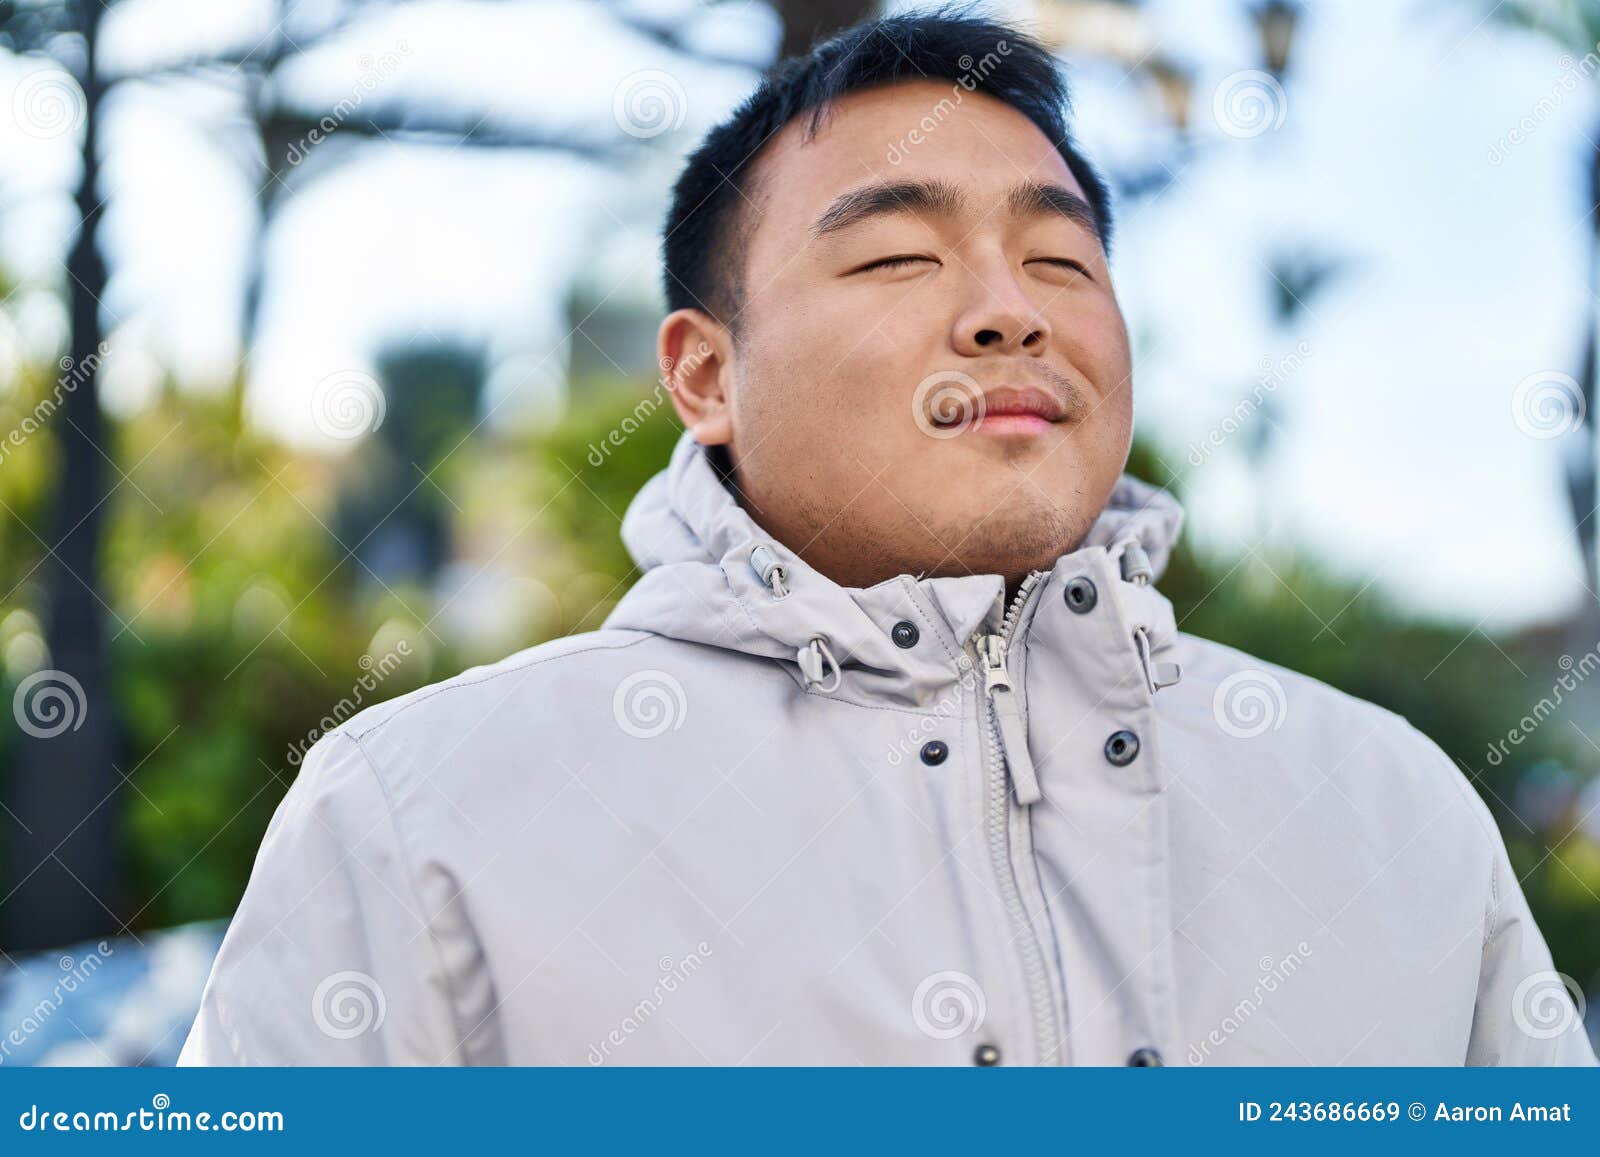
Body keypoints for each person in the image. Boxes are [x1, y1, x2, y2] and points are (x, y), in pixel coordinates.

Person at [180, 10, 1596, 1067]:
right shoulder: (424, 813)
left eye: (1060, 260)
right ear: (704, 374)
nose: (1009, 311)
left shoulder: (1392, 809)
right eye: (899, 256)